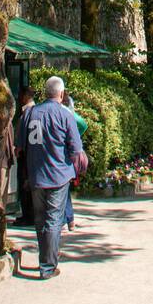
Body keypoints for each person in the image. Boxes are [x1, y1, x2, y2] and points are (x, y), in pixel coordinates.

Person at [19, 75, 84, 281]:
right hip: (58, 174)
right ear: (61, 94)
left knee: (40, 219)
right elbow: (75, 148)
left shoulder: (30, 114)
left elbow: (21, 145)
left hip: (36, 174)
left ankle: (46, 257)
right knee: (54, 219)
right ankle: (48, 265)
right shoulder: (64, 115)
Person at [61, 89, 88, 234]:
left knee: (62, 189)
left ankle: (65, 221)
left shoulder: (64, 113)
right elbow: (83, 124)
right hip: (71, 154)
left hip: (64, 154)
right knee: (65, 189)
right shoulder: (70, 113)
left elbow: (82, 124)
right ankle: (70, 220)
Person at [14, 86, 36, 227]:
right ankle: (28, 214)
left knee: (25, 184)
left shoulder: (28, 112)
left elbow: (24, 133)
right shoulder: (34, 111)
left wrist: (19, 147)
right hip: (31, 154)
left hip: (25, 154)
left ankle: (28, 215)